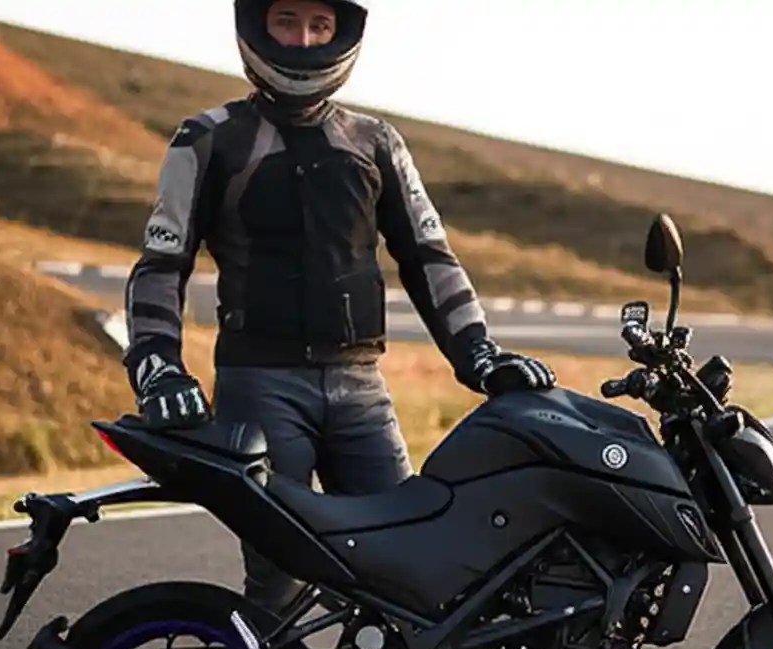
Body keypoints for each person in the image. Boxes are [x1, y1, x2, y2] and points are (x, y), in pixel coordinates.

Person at [122, 0, 557, 614]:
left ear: (341, 33)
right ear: (256, 26)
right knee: (278, 581)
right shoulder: (207, 138)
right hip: (260, 386)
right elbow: (161, 264)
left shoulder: (377, 142)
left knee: (410, 566)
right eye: (287, 21)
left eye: (319, 25)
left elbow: (429, 257)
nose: (303, 40)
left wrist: (480, 354)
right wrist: (157, 368)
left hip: (361, 390)